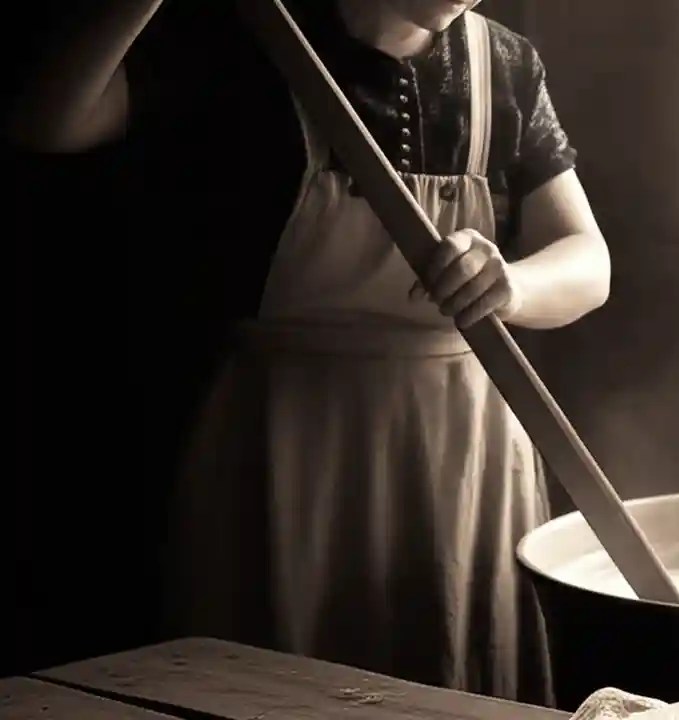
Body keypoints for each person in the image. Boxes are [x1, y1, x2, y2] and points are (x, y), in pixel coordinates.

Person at [5, 0, 610, 706]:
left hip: (464, 442)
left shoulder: (504, 65)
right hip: (286, 438)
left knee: (452, 670)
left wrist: (512, 285)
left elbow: (587, 263)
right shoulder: (251, 38)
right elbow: (48, 123)